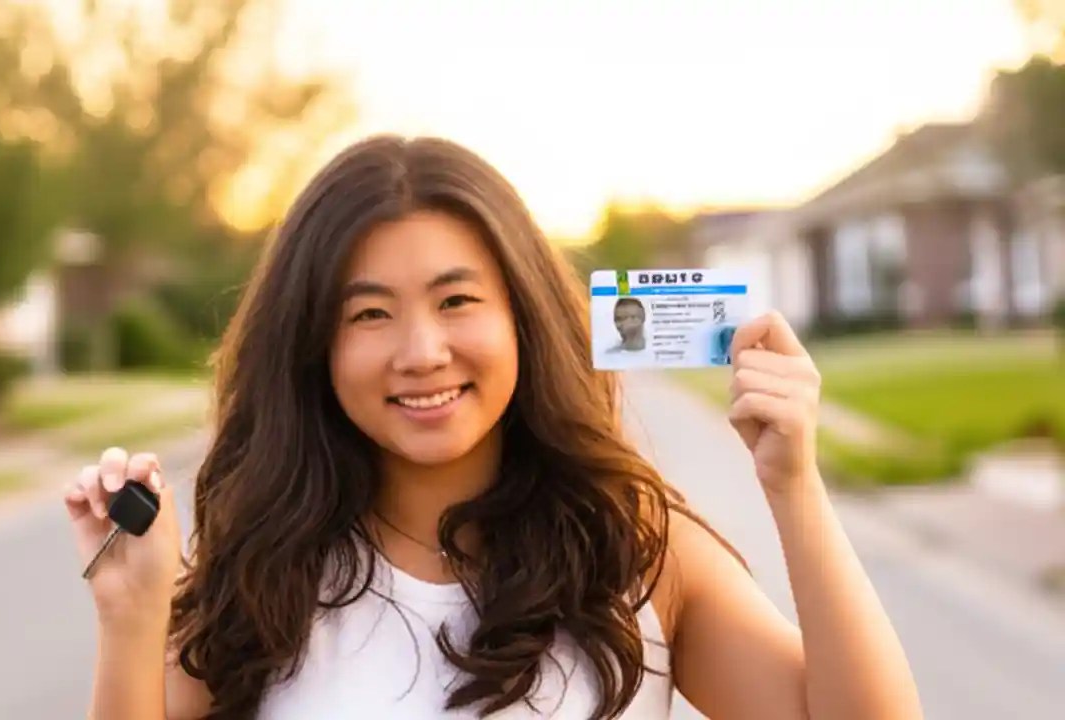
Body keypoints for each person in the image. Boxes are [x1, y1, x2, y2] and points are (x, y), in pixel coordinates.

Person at [64, 136, 924, 720]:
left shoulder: (632, 549)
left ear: (523, 317)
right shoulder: (259, 576)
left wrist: (794, 484)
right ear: (314, 344)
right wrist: (132, 618)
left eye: (457, 301)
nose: (422, 351)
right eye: (368, 314)